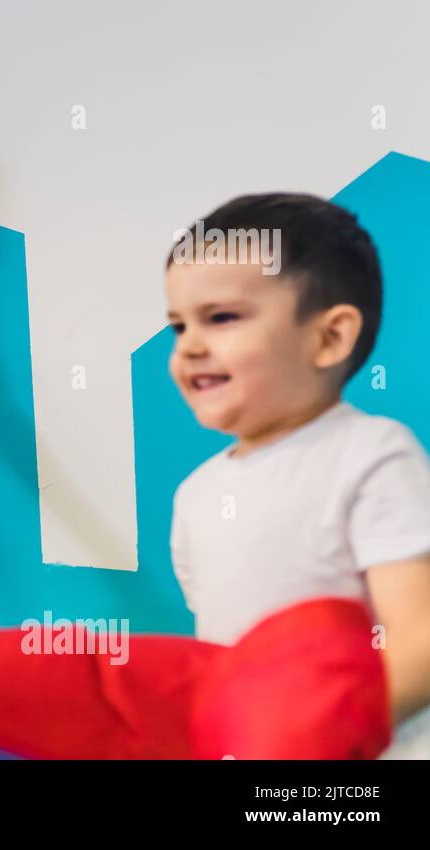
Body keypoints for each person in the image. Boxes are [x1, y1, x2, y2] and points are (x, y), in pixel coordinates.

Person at [164, 192, 430, 748]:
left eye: (221, 318)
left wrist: (317, 735)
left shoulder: (373, 455)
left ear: (329, 337)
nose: (189, 347)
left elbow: (420, 640)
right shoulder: (197, 495)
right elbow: (224, 655)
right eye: (178, 327)